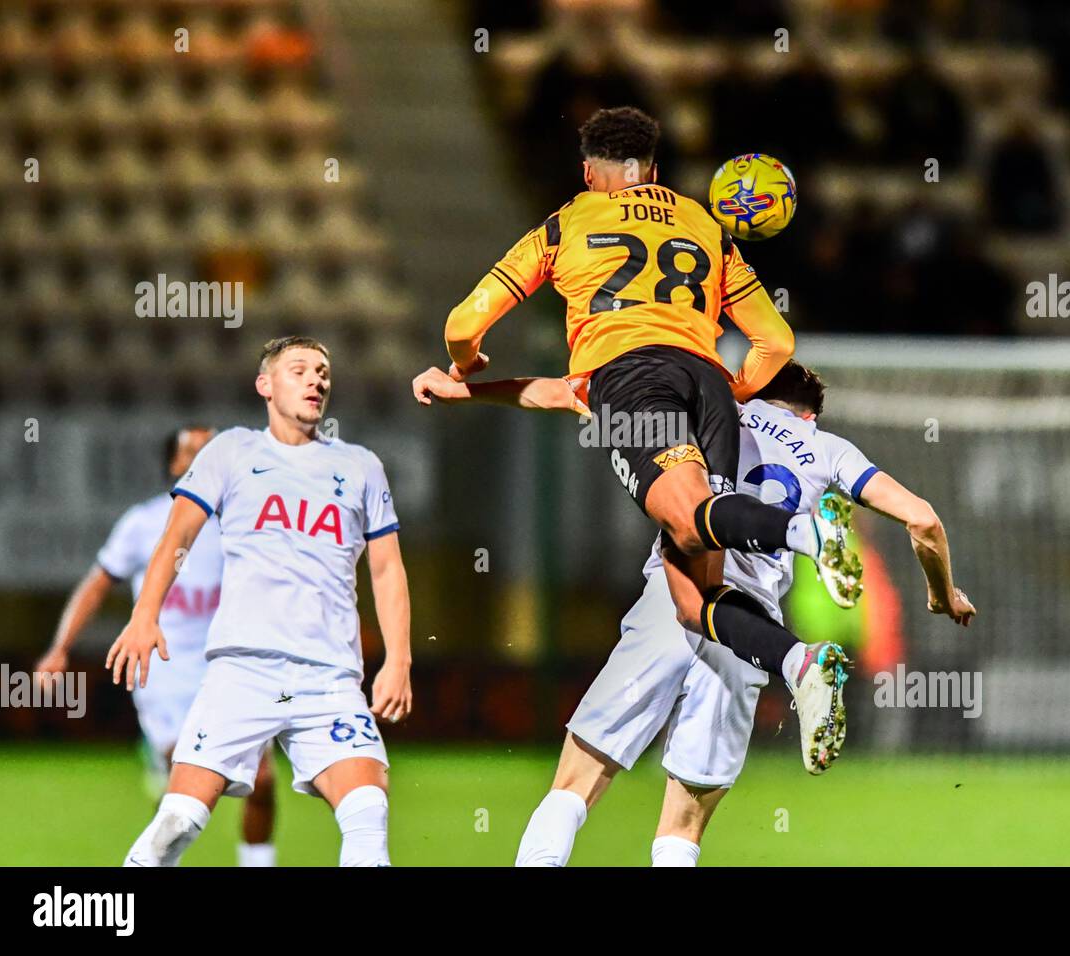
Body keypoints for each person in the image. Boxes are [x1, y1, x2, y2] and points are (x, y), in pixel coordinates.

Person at [435, 105, 868, 773]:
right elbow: (776, 341)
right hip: (707, 382)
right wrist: (735, 392)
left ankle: (809, 534)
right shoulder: (702, 222)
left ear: (588, 172)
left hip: (631, 381)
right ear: (655, 171)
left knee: (688, 523)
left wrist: (465, 365)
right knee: (696, 598)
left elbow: (465, 322)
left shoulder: (566, 223)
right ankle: (798, 661)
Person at [413, 360, 974, 865]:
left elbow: (562, 394)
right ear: (811, 415)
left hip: (677, 596)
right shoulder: (831, 452)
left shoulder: (713, 406)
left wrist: (466, 391)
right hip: (751, 627)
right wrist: (942, 593)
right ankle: (802, 604)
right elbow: (922, 520)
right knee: (682, 827)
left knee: (575, 782)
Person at [109, 336, 412, 866]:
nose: (316, 379)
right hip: (242, 672)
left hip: (330, 678)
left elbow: (386, 569)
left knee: (368, 816)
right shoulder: (231, 453)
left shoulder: (362, 466)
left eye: (323, 371)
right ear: (265, 385)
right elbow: (177, 536)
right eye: (300, 370)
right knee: (177, 824)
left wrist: (399, 659)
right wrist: (143, 614)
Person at [36, 426, 279, 867]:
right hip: (166, 672)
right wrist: (60, 648)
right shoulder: (144, 522)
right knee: (183, 789)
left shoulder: (245, 522)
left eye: (212, 451)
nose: (205, 459)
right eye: (194, 452)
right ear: (174, 465)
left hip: (231, 670)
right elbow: (97, 584)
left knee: (261, 782)